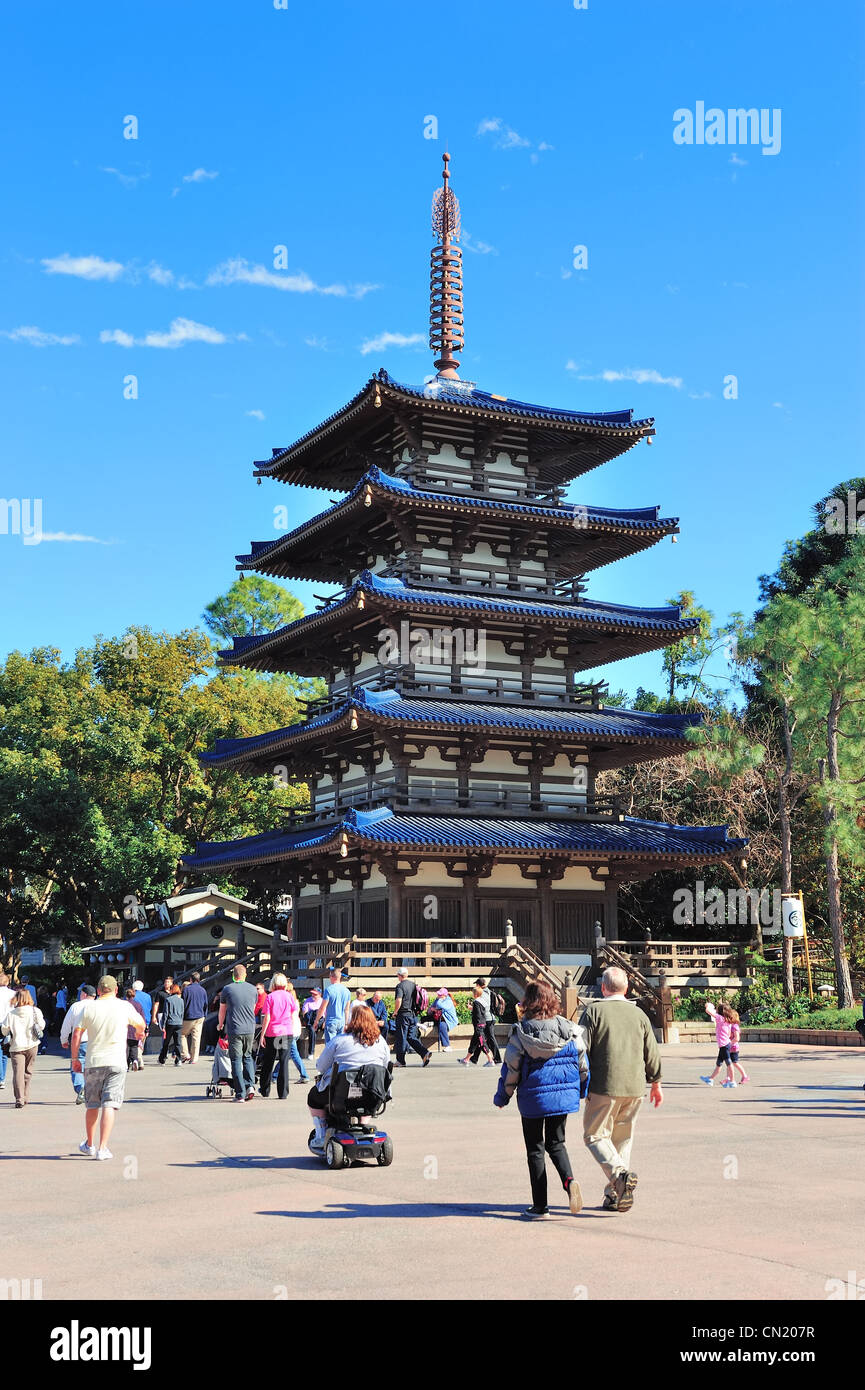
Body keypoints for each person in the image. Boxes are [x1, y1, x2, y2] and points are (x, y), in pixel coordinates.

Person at [493, 980, 590, 1219]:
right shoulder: (570, 1029)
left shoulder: (521, 1031)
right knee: (557, 1144)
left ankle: (540, 1206)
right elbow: (583, 1066)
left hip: (533, 1098)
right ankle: (569, 1182)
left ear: (528, 1002)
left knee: (535, 1150)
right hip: (562, 1095)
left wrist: (503, 1096)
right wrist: (581, 1091)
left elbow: (511, 1069)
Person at [580, 966, 663, 1213]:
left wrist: (580, 1082)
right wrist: (656, 1083)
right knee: (622, 1140)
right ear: (627, 989)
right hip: (635, 1087)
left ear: (603, 988)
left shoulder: (594, 1011)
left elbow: (580, 1049)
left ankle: (618, 1176)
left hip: (604, 1084)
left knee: (594, 1135)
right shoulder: (639, 1015)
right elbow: (652, 1052)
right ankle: (614, 1195)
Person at [71, 975, 146, 1160]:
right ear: (116, 990)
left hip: (94, 1060)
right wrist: (138, 1032)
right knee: (110, 1104)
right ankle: (103, 1148)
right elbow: (141, 1024)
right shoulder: (124, 1006)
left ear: (98, 991)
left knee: (92, 1105)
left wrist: (75, 1059)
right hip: (117, 1061)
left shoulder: (89, 1007)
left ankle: (89, 1144)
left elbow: (76, 1034)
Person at [307, 1004, 390, 1151]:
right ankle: (363, 1125)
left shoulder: (340, 1041)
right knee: (369, 1090)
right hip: (372, 1095)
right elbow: (384, 1067)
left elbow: (321, 1067)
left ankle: (321, 1134)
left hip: (341, 1095)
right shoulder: (381, 1042)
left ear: (353, 1021)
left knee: (313, 1097)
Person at [218, 964, 259, 1102]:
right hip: (250, 1028)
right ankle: (250, 1086)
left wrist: (220, 1023)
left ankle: (240, 1093)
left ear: (233, 975)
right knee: (247, 1057)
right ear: (245, 974)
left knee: (236, 1059)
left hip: (235, 1028)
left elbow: (222, 1009)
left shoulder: (227, 989)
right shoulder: (253, 989)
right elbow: (253, 1008)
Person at [1, 988, 46, 1108]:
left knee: (18, 1073)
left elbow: (4, 1030)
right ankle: (25, 1096)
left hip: (16, 1046)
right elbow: (41, 1025)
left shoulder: (11, 1014)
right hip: (32, 1045)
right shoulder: (35, 1011)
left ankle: (19, 1099)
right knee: (28, 1072)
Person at [258, 973, 296, 1099]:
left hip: (272, 1032)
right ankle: (283, 1092)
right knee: (284, 1061)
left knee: (269, 1060)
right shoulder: (289, 996)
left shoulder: (270, 997)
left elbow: (266, 1017)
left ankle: (265, 1088)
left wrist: (262, 1034)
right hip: (286, 1032)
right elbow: (293, 1015)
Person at [61, 983, 97, 1102]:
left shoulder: (76, 1006)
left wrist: (64, 1040)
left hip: (80, 1041)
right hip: (96, 1041)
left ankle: (80, 1087)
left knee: (77, 1065)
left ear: (84, 994)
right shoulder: (99, 1006)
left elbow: (66, 1025)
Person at [393, 968, 431, 1068]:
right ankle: (424, 1053)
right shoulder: (413, 985)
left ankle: (400, 1061)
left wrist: (395, 1011)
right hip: (413, 1015)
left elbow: (399, 1000)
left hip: (403, 1015)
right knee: (411, 1037)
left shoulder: (400, 986)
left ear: (399, 975)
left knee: (401, 1038)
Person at [701, 1000, 741, 1088]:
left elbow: (708, 1011)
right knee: (719, 1063)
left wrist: (708, 1005)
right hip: (725, 1044)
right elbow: (729, 1034)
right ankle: (710, 1079)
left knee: (728, 1063)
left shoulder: (720, 1018)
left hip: (723, 1045)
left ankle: (733, 1081)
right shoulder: (728, 1020)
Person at [313, 969, 351, 1046]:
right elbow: (347, 1009)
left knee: (330, 1046)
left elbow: (322, 1008)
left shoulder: (329, 990)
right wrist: (346, 1023)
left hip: (331, 1021)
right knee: (340, 1046)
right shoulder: (347, 991)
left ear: (332, 977)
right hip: (342, 1021)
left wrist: (316, 1021)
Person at [459, 987, 494, 1066]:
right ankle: (466, 1059)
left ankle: (491, 1060)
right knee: (473, 1043)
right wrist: (472, 1008)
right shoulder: (482, 1001)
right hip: (482, 1023)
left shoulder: (476, 1002)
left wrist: (477, 1023)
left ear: (475, 994)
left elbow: (478, 1014)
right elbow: (481, 1011)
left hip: (479, 1025)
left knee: (482, 1043)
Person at [180, 972, 208, 1064]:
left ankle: (185, 1054)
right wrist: (205, 1015)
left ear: (191, 979)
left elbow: (183, 1004)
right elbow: (205, 1004)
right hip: (200, 1016)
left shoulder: (186, 990)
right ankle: (194, 1058)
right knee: (196, 1038)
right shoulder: (203, 990)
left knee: (182, 1034)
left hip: (188, 1016)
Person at [285, 981, 309, 1083]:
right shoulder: (295, 1001)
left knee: (292, 1054)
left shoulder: (288, 1001)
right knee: (286, 1053)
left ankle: (304, 1075)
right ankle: (275, 1075)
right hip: (296, 1028)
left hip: (290, 1030)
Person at [475, 977, 502, 1062]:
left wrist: (473, 1008)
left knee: (489, 1038)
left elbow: (484, 1007)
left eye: (476, 984)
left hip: (487, 1019)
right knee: (482, 1039)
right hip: (490, 1018)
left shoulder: (483, 994)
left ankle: (497, 1058)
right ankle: (473, 1058)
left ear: (479, 985)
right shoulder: (489, 991)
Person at [158, 985, 185, 1065]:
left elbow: (165, 1013)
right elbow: (182, 1012)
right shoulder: (181, 1000)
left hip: (170, 1023)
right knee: (178, 1042)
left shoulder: (168, 1000)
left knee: (166, 1042)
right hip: (179, 1023)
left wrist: (163, 1025)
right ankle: (178, 1059)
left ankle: (162, 1059)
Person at [125, 988, 147, 1069]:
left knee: (126, 1048)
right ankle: (134, 1060)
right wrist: (144, 1028)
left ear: (126, 995)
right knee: (134, 1046)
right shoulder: (138, 1005)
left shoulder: (124, 1004)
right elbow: (142, 1017)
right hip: (136, 1028)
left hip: (126, 1028)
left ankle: (126, 1065)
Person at [0, 971, 14, 1091]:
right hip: (8, 1024)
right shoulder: (12, 994)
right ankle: (2, 1078)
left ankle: (1, 1077)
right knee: (5, 1050)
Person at [728, 1010, 749, 1085]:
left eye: (728, 1016)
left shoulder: (734, 1026)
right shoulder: (730, 1025)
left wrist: (730, 1043)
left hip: (733, 1048)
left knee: (735, 1063)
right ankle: (729, 1078)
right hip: (730, 1047)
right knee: (729, 1063)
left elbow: (737, 1038)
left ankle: (744, 1076)